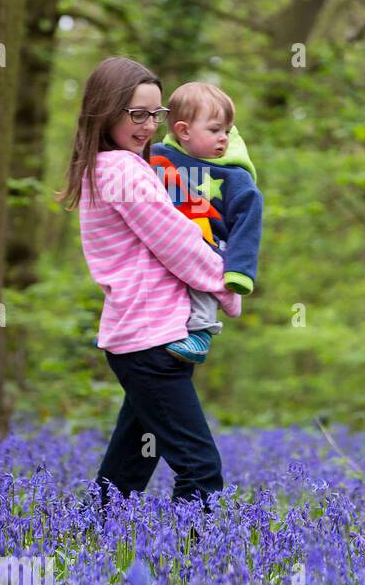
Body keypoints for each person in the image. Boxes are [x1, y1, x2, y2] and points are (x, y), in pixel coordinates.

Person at [59, 56, 241, 507]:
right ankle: (193, 572)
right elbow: (176, 241)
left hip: (142, 337)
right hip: (150, 341)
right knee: (200, 469)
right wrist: (228, 286)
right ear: (106, 111)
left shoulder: (111, 167)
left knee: (128, 466)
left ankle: (91, 551)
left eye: (155, 114)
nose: (147, 125)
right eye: (135, 113)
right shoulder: (120, 170)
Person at [150, 82, 264, 364]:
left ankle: (201, 331)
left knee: (202, 275)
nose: (223, 138)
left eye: (226, 131)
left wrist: (240, 270)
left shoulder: (235, 177)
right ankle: (132, 331)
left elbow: (248, 222)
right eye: (214, 130)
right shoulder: (157, 158)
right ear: (184, 130)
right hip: (163, 241)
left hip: (210, 241)